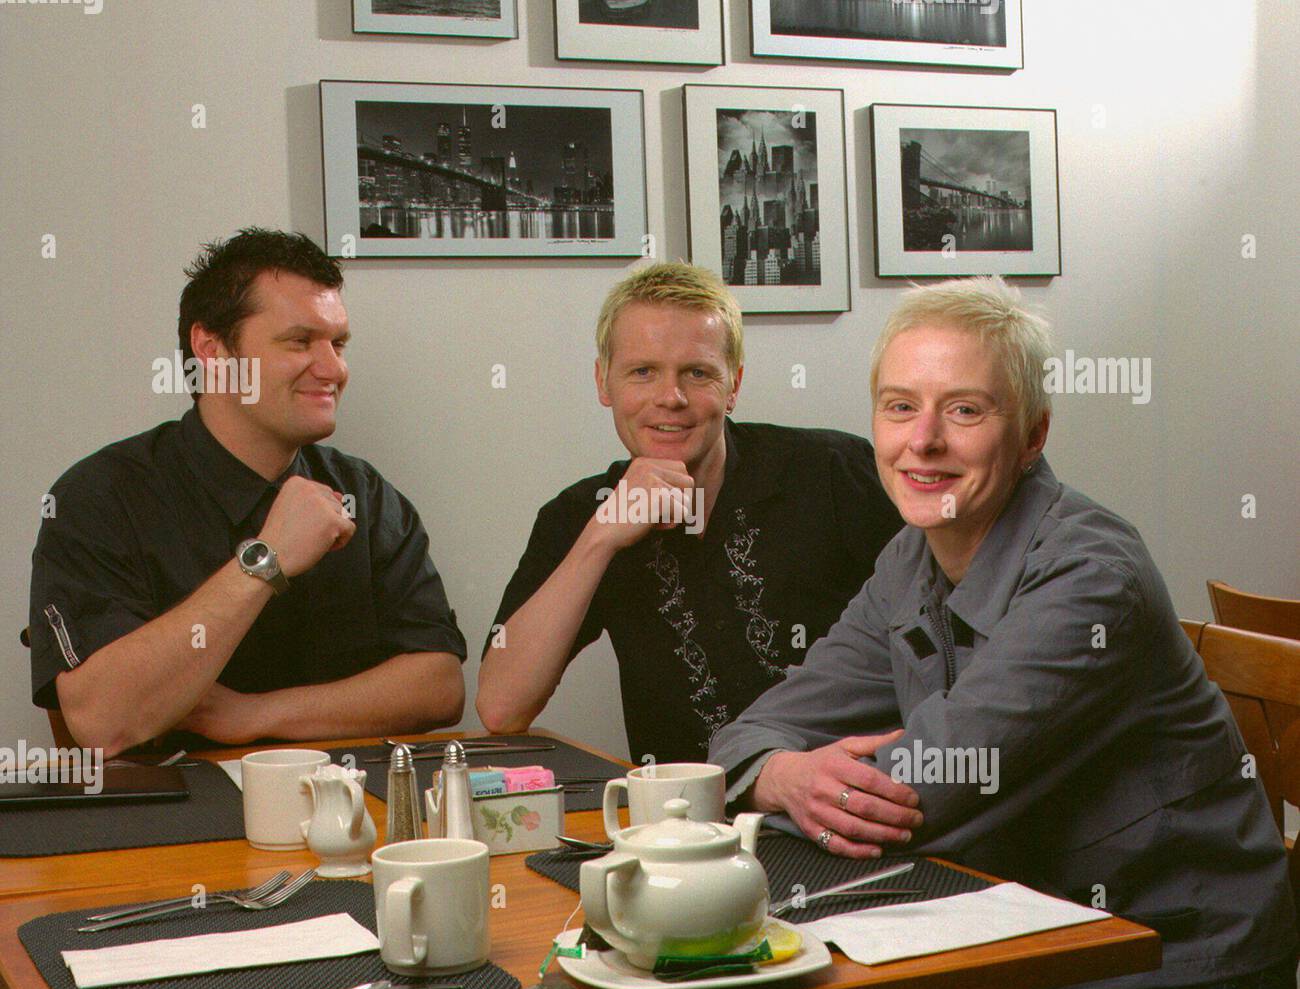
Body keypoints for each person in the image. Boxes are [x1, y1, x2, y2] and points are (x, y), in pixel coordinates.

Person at [709, 276, 1297, 989]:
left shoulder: (1092, 576)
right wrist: (782, 774)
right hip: (1023, 933)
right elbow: (745, 733)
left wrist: (778, 785)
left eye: (964, 410)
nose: (923, 439)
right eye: (900, 407)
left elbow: (922, 795)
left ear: (1032, 435)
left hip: (1169, 969)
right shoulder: (908, 558)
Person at [28, 229, 466, 757]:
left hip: (347, 815)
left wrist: (252, 715)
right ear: (213, 351)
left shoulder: (365, 495)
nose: (335, 369)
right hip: (175, 825)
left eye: (339, 343)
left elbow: (440, 686)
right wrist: (265, 560)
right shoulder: (100, 497)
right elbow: (103, 722)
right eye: (300, 341)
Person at [477, 262, 902, 764]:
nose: (670, 398)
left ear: (734, 385)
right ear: (603, 382)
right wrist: (602, 538)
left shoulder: (833, 472)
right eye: (643, 372)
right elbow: (501, 708)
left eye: (697, 374)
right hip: (684, 824)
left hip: (856, 795)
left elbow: (945, 647)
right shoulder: (578, 516)